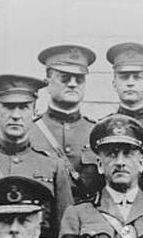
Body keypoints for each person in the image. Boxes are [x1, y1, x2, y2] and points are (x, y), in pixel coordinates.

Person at [0, 73, 73, 238]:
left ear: (34, 112)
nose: (16, 115)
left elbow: (65, 233)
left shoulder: (53, 166)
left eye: (24, 107)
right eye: (9, 107)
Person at [34, 43, 101, 203]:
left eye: (79, 79)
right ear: (47, 82)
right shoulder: (30, 131)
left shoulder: (97, 132)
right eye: (64, 77)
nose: (72, 83)